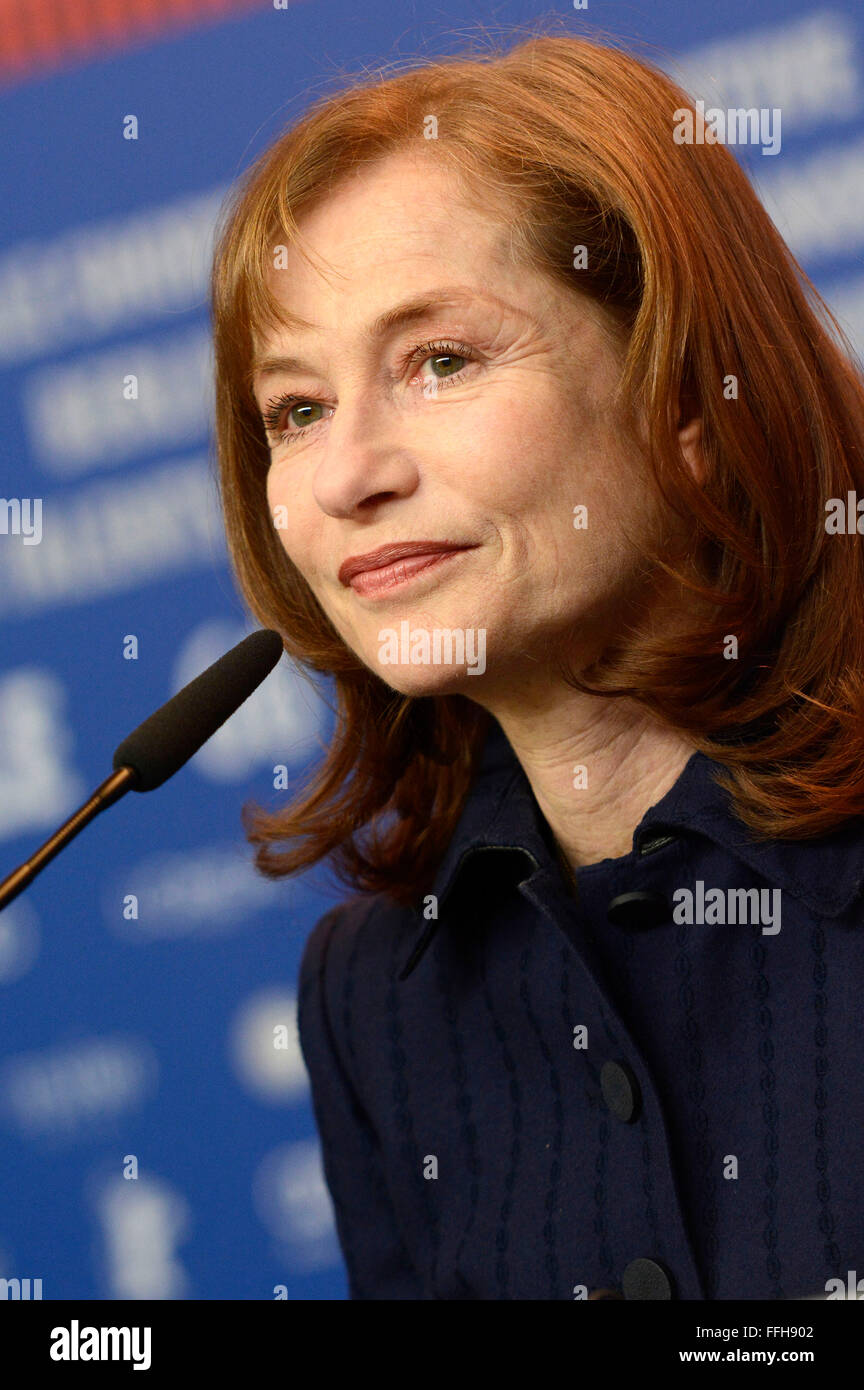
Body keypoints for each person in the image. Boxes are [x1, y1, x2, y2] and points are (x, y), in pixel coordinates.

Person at [209, 30, 864, 1299]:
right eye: (295, 409)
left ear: (688, 397)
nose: (349, 476)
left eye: (439, 361)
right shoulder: (376, 1000)